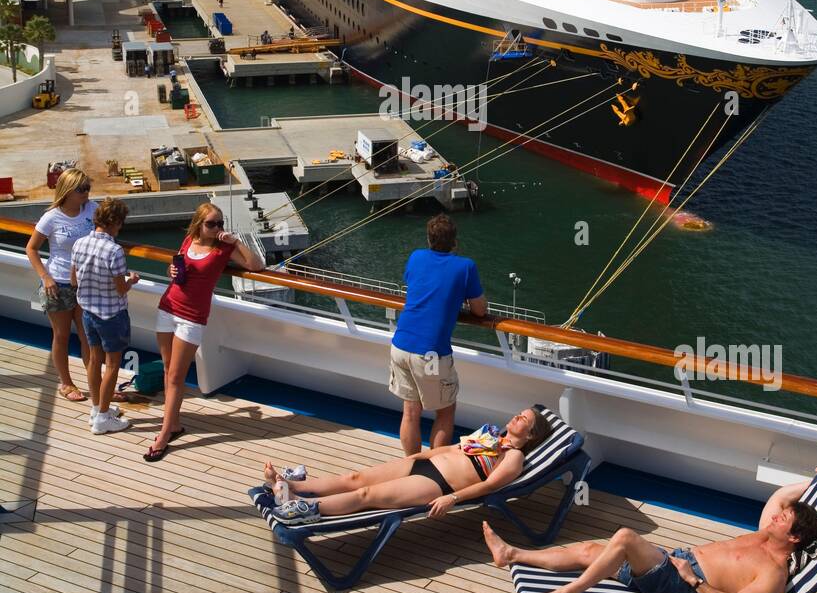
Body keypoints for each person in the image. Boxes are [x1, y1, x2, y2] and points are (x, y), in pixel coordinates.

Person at [482, 468, 817, 593]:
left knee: (625, 538)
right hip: (675, 565)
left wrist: (694, 580)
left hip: (683, 586)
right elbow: (782, 496)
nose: (777, 516)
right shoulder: (765, 532)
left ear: (795, 538)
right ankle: (511, 553)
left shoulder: (773, 573)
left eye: (785, 519)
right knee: (590, 550)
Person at [262, 407, 553, 524]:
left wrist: (451, 498)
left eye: (523, 420)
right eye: (519, 414)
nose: (516, 418)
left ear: (530, 435)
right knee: (356, 477)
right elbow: (452, 448)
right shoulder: (490, 434)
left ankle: (304, 507)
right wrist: (417, 457)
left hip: (438, 484)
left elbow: (489, 486)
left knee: (368, 496)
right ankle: (291, 485)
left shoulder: (514, 457)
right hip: (425, 464)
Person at [146, 204, 263, 462]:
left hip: (192, 317)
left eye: (220, 223)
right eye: (212, 224)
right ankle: (174, 424)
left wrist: (237, 241)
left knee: (176, 375)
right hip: (167, 307)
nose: (218, 228)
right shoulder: (188, 240)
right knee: (168, 369)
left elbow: (256, 265)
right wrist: (171, 270)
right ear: (199, 223)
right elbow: (173, 269)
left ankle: (164, 434)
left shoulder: (224, 248)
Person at [389, 213, 486, 455]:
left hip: (401, 344)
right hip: (430, 353)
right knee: (445, 411)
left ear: (429, 239)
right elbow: (480, 310)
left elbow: (421, 286)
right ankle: (435, 469)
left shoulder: (416, 257)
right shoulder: (465, 267)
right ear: (455, 242)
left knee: (411, 411)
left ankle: (412, 466)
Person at [25, 169, 97, 403]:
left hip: (86, 283)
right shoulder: (52, 217)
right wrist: (46, 277)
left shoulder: (92, 209)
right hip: (59, 284)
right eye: (82, 189)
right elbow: (32, 248)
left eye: (88, 188)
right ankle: (66, 383)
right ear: (68, 191)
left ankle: (96, 382)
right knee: (62, 335)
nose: (87, 193)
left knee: (89, 336)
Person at [70, 198, 140, 434]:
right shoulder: (115, 250)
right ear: (115, 222)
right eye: (120, 224)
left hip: (88, 312)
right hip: (111, 315)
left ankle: (97, 408)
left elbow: (73, 280)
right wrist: (132, 280)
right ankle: (102, 418)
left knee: (93, 360)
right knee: (112, 365)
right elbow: (121, 289)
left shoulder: (79, 244)